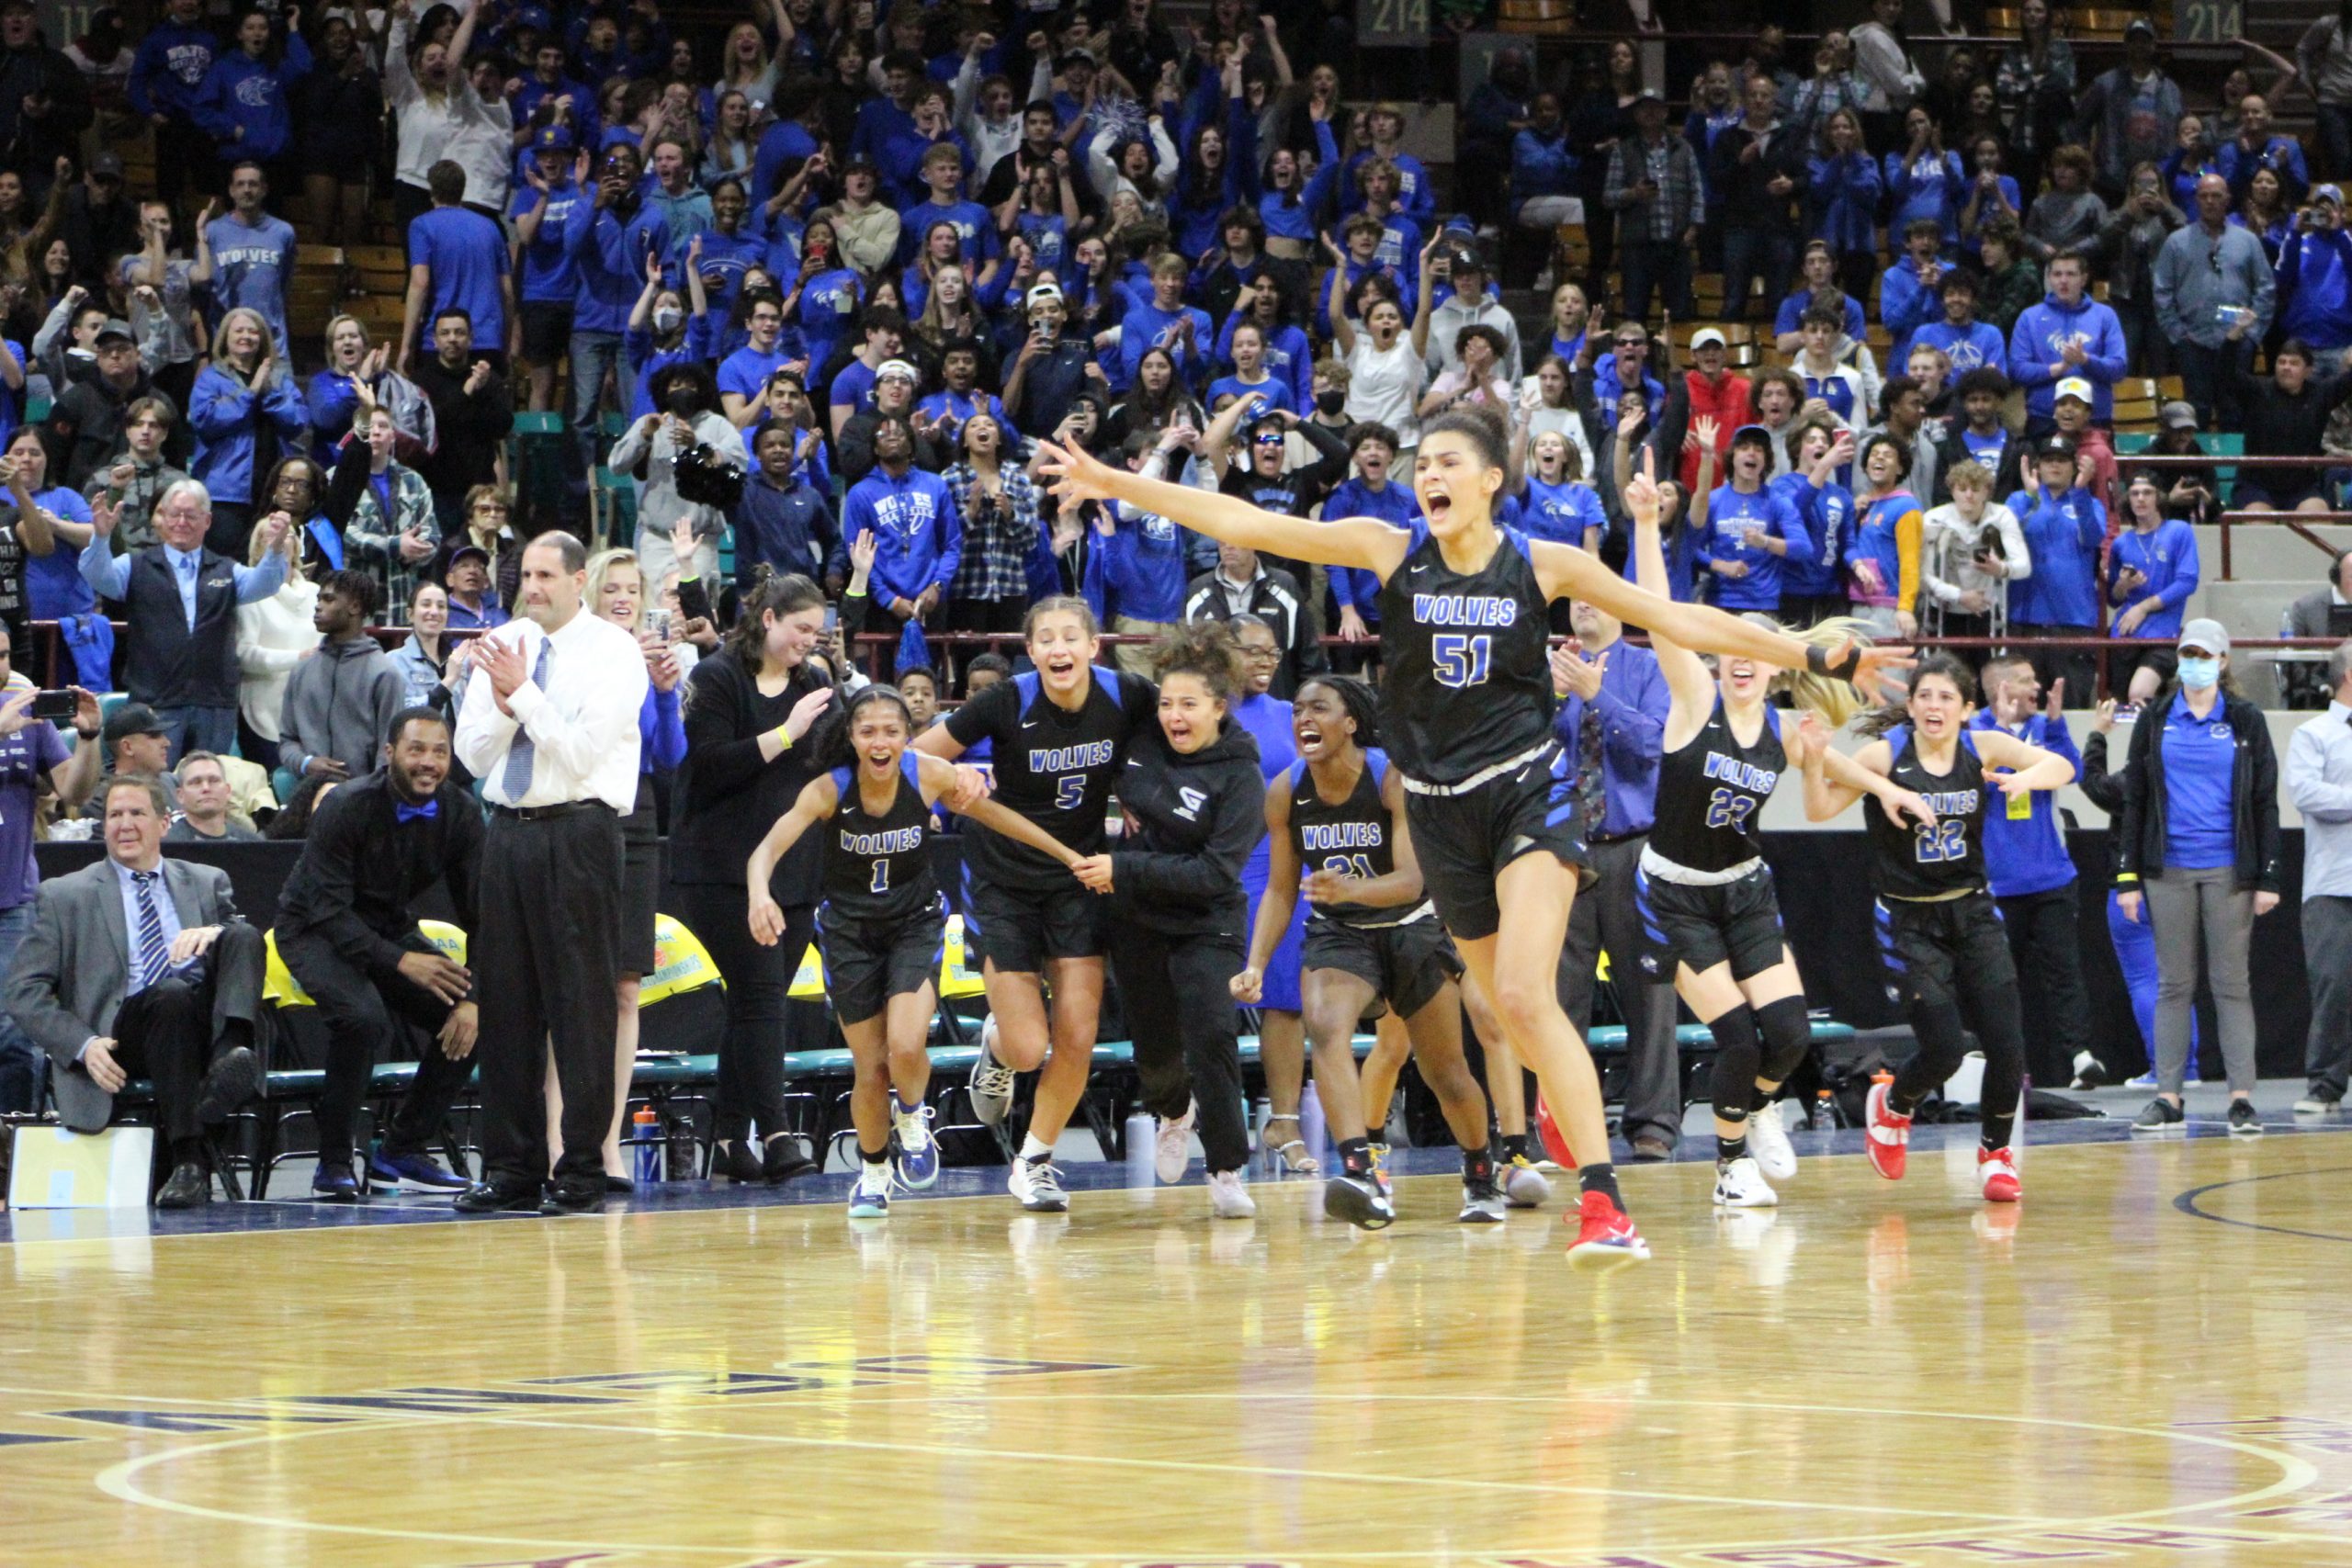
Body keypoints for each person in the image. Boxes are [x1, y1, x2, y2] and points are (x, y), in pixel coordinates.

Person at [1034, 418, 1911, 1266]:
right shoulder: (1389, 547)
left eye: (1449, 462)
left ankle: (1605, 1205)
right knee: (1504, 1014)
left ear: (1492, 478)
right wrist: (1114, 480)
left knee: (1526, 995)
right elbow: (1251, 521)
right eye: (1424, 465)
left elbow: (1675, 618)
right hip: (1440, 814)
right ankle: (1556, 1120)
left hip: (1528, 796)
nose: (1430, 476)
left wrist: (1809, 653)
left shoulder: (1545, 563)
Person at [1631, 494, 1923, 1208]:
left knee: (1789, 1034)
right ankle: (1730, 1165)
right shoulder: (1694, 698)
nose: (1739, 662)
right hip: (1674, 892)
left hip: (1744, 888)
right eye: (1730, 649)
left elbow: (1831, 769)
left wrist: (1880, 788)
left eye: (1753, 655)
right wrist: (1644, 525)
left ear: (1773, 668)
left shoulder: (1785, 728)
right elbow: (1659, 612)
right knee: (1737, 1036)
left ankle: (1759, 1105)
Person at [752, 683, 1069, 1218]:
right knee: (870, 1067)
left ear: (907, 737)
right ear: (852, 737)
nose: (880, 741)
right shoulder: (830, 790)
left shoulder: (928, 775)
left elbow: (995, 817)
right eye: (868, 730)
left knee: (904, 1044)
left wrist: (1064, 852)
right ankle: (874, 1172)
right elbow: (767, 849)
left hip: (914, 924)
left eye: (892, 731)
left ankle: (913, 1112)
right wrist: (760, 894)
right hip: (850, 932)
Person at [913, 596, 1159, 1213]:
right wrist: (958, 776)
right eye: (1045, 638)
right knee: (1029, 1046)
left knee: (1078, 1032)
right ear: (1030, 652)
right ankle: (997, 1047)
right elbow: (912, 755)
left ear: (1092, 645)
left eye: (1070, 636)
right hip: (1002, 879)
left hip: (1078, 874)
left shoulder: (1128, 694)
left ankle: (1034, 1161)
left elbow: (1169, 750)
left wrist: (1138, 793)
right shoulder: (1004, 700)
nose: (1058, 648)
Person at [1237, 671, 1505, 1224]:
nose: (1305, 718)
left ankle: (1482, 1170)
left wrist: (1350, 887)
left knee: (1447, 1074)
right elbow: (1283, 889)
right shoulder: (1286, 791)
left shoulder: (1390, 778)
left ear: (1351, 722)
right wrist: (1256, 962)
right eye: (1299, 711)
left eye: (1320, 709)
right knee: (1327, 1027)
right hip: (1340, 934)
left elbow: (1410, 880)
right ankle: (1360, 1173)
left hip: (1411, 928)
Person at [1808, 656, 2074, 1204]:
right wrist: (1815, 762)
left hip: (1973, 909)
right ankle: (1894, 1104)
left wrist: (2024, 777)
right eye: (1925, 696)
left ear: (1966, 708)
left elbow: (2062, 768)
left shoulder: (1983, 746)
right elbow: (1819, 808)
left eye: (1946, 697)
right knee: (1946, 1050)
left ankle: (1996, 1154)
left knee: (2007, 1045)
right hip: (1909, 918)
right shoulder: (1884, 756)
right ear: (1910, 705)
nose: (1934, 706)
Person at [449, 532, 650, 1215]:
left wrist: (523, 694)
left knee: (581, 1005)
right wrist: (512, 704)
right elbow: (472, 754)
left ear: (577, 580)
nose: (530, 586)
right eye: (525, 574)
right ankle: (510, 1167)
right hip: (506, 832)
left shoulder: (615, 652)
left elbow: (581, 754)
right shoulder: (505, 642)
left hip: (581, 832)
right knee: (505, 1003)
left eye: (543, 575)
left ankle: (582, 1170)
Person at [1064, 621, 1262, 1216]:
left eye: (1191, 704)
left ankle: (1226, 1167)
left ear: (1219, 709)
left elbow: (1213, 873)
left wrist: (1127, 868)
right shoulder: (1143, 737)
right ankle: (1174, 1110)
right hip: (1138, 917)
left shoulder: (1240, 775)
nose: (1176, 714)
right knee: (1153, 1046)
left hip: (1208, 919)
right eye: (1169, 701)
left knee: (1211, 1032)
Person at [4, 773, 266, 1209]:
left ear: (164, 824)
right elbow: (22, 991)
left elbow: (242, 950)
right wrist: (82, 1045)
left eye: (137, 813)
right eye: (114, 815)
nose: (124, 824)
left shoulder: (205, 880)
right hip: (126, 1034)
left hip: (203, 1024)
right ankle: (188, 1160)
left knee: (242, 936)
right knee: (171, 994)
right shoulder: (65, 895)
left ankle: (229, 1059)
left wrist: (215, 931)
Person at [274, 707, 481, 1198]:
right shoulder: (346, 805)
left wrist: (476, 996)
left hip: (386, 927)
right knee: (364, 1018)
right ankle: (333, 1161)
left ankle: (402, 1148)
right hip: (313, 928)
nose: (428, 761)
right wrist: (400, 960)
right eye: (416, 749)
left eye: (440, 752)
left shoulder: (462, 812)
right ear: (389, 754)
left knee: (471, 1019)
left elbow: (483, 914)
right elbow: (326, 908)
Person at [673, 570, 836, 1183]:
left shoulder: (816, 681)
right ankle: (776, 1135)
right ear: (768, 620)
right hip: (718, 867)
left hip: (795, 867)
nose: (809, 642)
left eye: (817, 632)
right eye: (801, 629)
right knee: (763, 997)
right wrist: (786, 732)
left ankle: (728, 1142)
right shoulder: (717, 677)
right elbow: (710, 765)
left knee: (750, 1004)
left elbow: (834, 758)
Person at [2114, 620, 2280, 1138]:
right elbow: (2135, 799)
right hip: (2168, 868)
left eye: (2205, 653)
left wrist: (2268, 876)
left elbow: (2264, 802)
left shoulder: (2246, 720)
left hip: (2230, 869)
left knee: (2231, 984)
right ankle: (2168, 1096)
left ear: (2224, 661)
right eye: (2187, 652)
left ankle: (2241, 1098)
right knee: (2173, 984)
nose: (2195, 661)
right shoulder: (2157, 718)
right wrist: (2128, 877)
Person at [562, 545, 688, 1190]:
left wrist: (665, 695)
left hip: (636, 818)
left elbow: (668, 756)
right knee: (569, 986)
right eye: (610, 587)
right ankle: (561, 1141)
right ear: (590, 594)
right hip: (578, 810)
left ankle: (608, 1141)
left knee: (624, 987)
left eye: (631, 588)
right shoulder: (575, 655)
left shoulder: (651, 664)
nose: (622, 597)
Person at [1544, 593, 1680, 1166]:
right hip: (1560, 851)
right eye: (1574, 600)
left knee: (1650, 990)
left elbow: (1655, 744)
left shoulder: (1649, 669)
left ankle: (1652, 1123)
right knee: (1558, 996)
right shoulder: (1545, 672)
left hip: (1633, 846)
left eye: (1597, 598)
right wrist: (1550, 699)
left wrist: (1597, 696)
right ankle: (1567, 1125)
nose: (1584, 607)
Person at [81, 482, 289, 761]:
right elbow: (97, 575)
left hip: (214, 702)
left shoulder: (226, 569)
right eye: (175, 514)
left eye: (191, 516)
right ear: (163, 517)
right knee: (155, 782)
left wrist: (275, 551)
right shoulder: (135, 566)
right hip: (154, 701)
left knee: (206, 783)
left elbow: (263, 585)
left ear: (208, 521)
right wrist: (101, 537)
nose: (182, 522)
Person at [1965, 656, 2093, 1095]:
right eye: (2025, 680)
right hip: (1998, 883)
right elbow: (1968, 789)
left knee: (2065, 971)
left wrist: (2057, 726)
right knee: (2001, 982)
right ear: (2000, 687)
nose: (2036, 686)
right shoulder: (1975, 732)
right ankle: (2003, 1066)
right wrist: (2000, 730)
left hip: (2051, 876)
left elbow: (2072, 770)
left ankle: (2080, 1056)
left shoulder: (2042, 728)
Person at [0, 660, 99, 1113]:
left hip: (13, 903)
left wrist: (89, 738)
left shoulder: (29, 718)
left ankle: (11, 1148)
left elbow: (74, 793)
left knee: (16, 1036)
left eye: (3, 654)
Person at [2154, 174, 2276, 429]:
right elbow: (2162, 291)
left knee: (2235, 409)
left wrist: (2252, 333)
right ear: (2196, 200)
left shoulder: (2248, 241)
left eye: (2216, 196)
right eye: (2204, 196)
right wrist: (2177, 335)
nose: (2210, 201)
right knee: (2195, 411)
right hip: (2193, 342)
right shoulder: (2176, 242)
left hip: (2237, 341)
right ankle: (2197, 469)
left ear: (2228, 199)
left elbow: (2266, 288)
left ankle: (2234, 469)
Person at [2290, 640, 2352, 1112]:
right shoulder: (2313, 733)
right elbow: (2306, 793)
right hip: (2334, 882)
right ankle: (2325, 1085)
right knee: (2334, 983)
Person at [279, 569, 407, 783]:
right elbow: (287, 741)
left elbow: (390, 753)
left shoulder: (385, 674)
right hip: (308, 798)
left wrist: (369, 796)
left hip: (363, 802)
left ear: (355, 607)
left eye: (328, 599)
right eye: (318, 599)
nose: (317, 606)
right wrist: (306, 763)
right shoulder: (301, 671)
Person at [2005, 434, 2106, 706]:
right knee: (2021, 709)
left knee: (2072, 708)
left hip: (2074, 623)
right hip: (2025, 620)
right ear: (2038, 465)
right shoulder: (2018, 501)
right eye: (2049, 460)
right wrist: (2029, 496)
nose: (2055, 466)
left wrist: (2082, 492)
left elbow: (2094, 538)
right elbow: (2002, 537)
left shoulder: (2091, 504)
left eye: (2062, 461)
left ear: (2073, 467)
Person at [165, 749, 259, 843]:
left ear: (228, 791)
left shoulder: (252, 844)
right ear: (180, 795)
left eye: (214, 780)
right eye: (196, 782)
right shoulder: (166, 846)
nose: (206, 788)